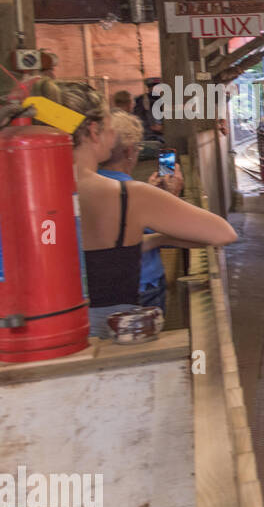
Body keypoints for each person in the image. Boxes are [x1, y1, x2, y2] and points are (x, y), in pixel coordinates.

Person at [35, 79, 237, 338]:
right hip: (115, 344)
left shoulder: (21, 196)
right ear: (94, 132)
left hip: (42, 340)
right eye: (109, 127)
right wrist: (162, 231)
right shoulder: (128, 195)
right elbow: (223, 233)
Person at [98, 111, 181, 312]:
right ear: (129, 152)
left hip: (100, 288)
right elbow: (172, 232)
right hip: (143, 284)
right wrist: (171, 196)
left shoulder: (88, 185)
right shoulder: (135, 193)